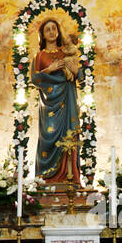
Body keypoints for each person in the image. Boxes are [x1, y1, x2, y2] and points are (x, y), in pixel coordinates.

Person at [31, 18, 81, 184]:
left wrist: (75, 70)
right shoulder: (40, 56)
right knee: (49, 137)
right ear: (43, 35)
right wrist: (49, 69)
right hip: (49, 105)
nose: (52, 32)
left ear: (58, 31)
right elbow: (35, 79)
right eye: (48, 30)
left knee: (69, 135)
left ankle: (70, 178)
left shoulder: (66, 52)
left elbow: (79, 75)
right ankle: (46, 179)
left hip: (67, 99)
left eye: (54, 28)